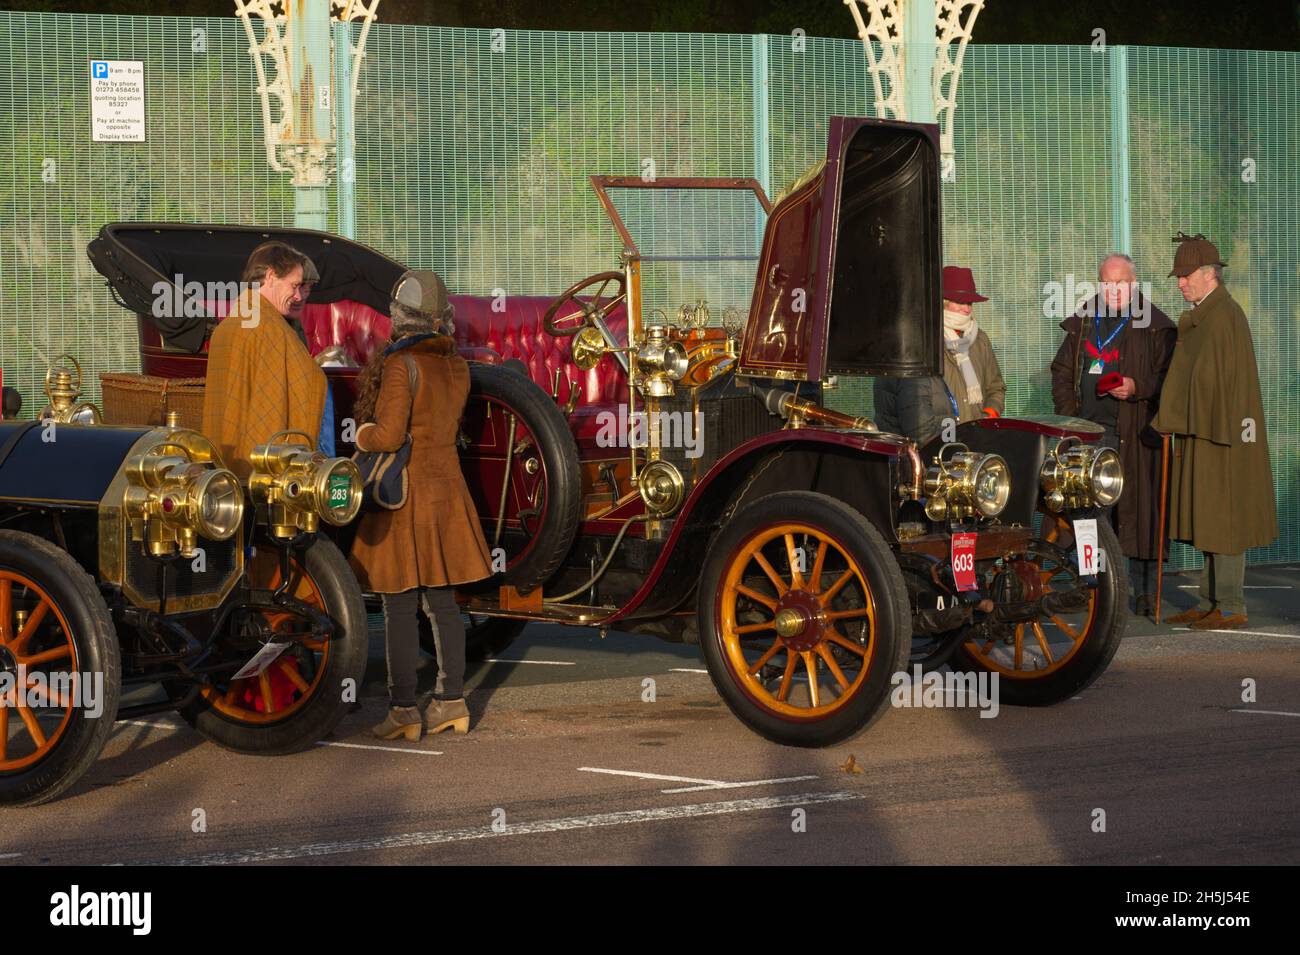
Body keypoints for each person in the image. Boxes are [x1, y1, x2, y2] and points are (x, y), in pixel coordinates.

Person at [349, 270, 493, 740]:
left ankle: (404, 710)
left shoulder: (399, 365)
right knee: (442, 604)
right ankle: (452, 701)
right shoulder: (457, 365)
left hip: (405, 498)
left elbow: (389, 436)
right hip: (447, 491)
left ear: (401, 317)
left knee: (397, 606)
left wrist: (361, 434)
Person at [1151, 233, 1278, 630]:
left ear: (1210, 274)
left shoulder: (1224, 316)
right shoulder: (1205, 316)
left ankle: (1230, 604)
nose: (1180, 283)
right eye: (1178, 276)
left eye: (1187, 275)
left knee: (1223, 517)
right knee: (1206, 515)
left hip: (1221, 437)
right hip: (1201, 432)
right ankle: (1209, 601)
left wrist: (1170, 416)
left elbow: (1221, 385)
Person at [1050, 253, 1175, 617]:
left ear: (1134, 285)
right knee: (1090, 514)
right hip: (1090, 434)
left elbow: (1170, 379)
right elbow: (1060, 371)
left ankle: (1143, 591)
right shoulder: (1086, 320)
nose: (1114, 289)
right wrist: (1071, 416)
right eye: (1107, 282)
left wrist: (1137, 386)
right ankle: (1093, 587)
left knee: (1140, 512)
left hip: (1137, 432)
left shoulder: (1155, 324)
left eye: (1121, 282)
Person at [201, 241, 330, 481]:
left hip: (222, 467)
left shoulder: (228, 325)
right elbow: (312, 384)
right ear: (271, 275)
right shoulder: (272, 330)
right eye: (294, 285)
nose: (298, 295)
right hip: (262, 474)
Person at [874, 265, 1005, 445]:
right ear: (942, 301)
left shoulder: (979, 339)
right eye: (960, 302)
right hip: (932, 450)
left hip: (972, 444)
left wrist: (990, 413)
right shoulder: (916, 343)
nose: (967, 309)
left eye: (970, 303)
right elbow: (913, 415)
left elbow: (996, 386)